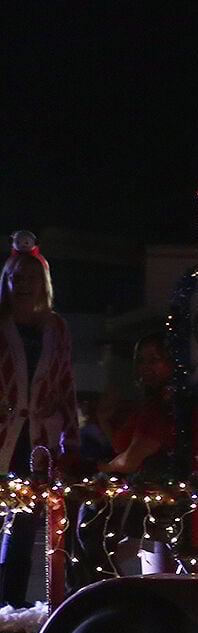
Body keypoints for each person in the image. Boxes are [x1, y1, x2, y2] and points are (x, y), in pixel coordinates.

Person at [0, 250, 79, 607]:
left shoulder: (55, 327)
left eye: (31, 278)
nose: (23, 284)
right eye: (17, 277)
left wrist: (68, 433)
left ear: (42, 284)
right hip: (3, 435)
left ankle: (10, 609)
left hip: (36, 442)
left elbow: (65, 382)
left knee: (23, 530)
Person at [71, 332, 178, 590]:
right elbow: (124, 449)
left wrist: (98, 469)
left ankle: (104, 593)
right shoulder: (145, 404)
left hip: (151, 493)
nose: (146, 367)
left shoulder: (163, 405)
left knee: (90, 532)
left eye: (155, 360)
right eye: (142, 360)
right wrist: (105, 418)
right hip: (138, 488)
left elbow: (131, 460)